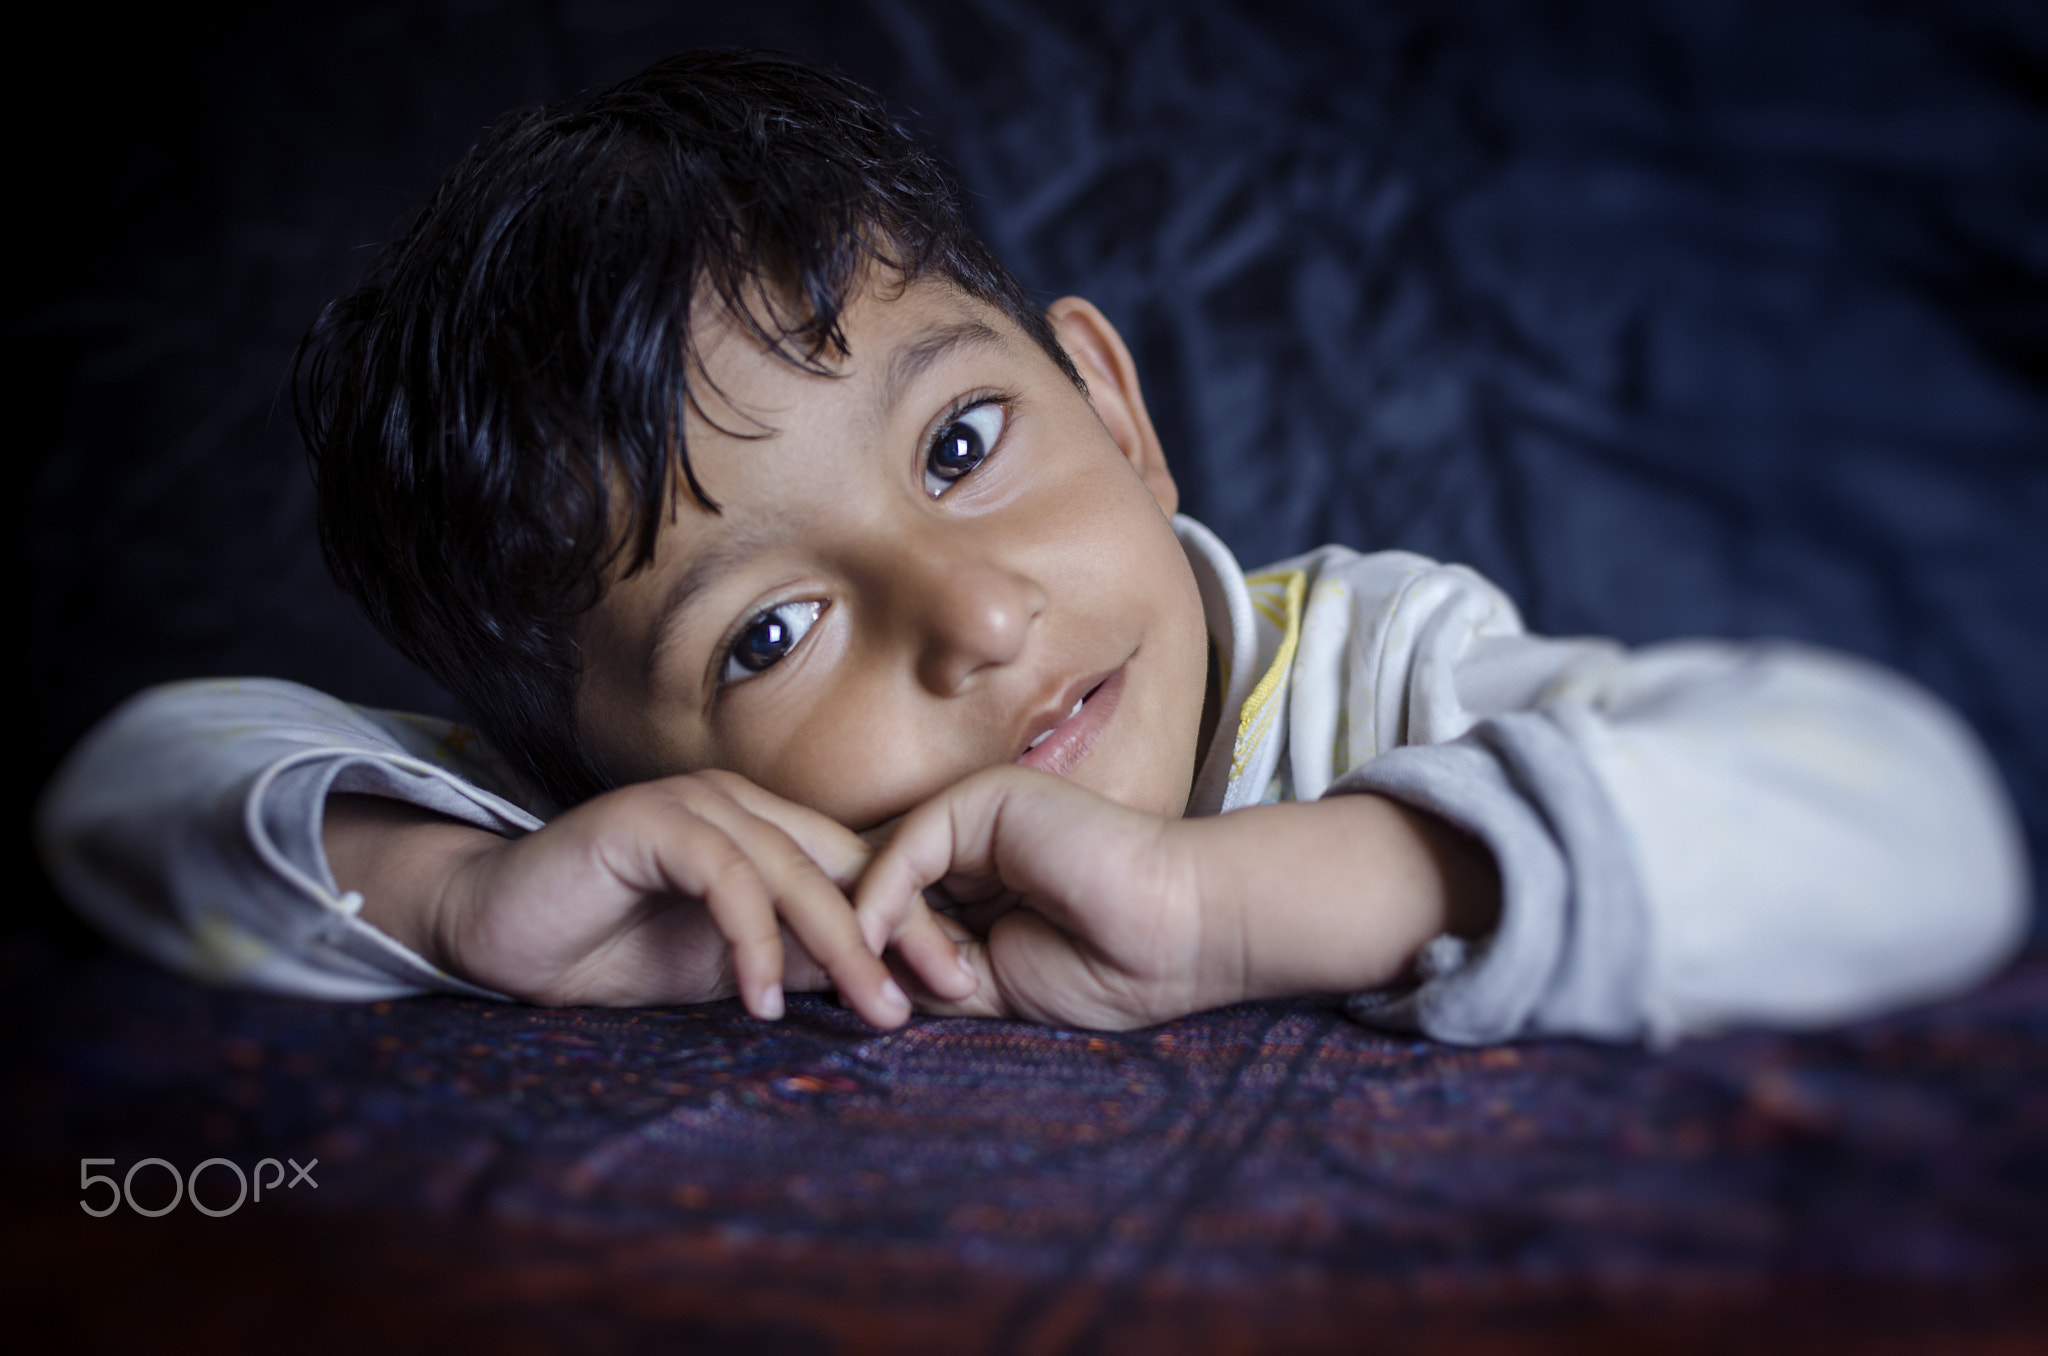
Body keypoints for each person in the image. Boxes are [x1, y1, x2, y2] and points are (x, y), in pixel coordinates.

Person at [38, 50, 2029, 1044]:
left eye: (964, 445)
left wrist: (1241, 907)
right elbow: (122, 794)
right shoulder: (685, 878)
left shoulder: (1373, 677)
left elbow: (1919, 818)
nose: (976, 616)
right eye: (766, 635)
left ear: (1117, 408)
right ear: (614, 778)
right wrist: (471, 901)